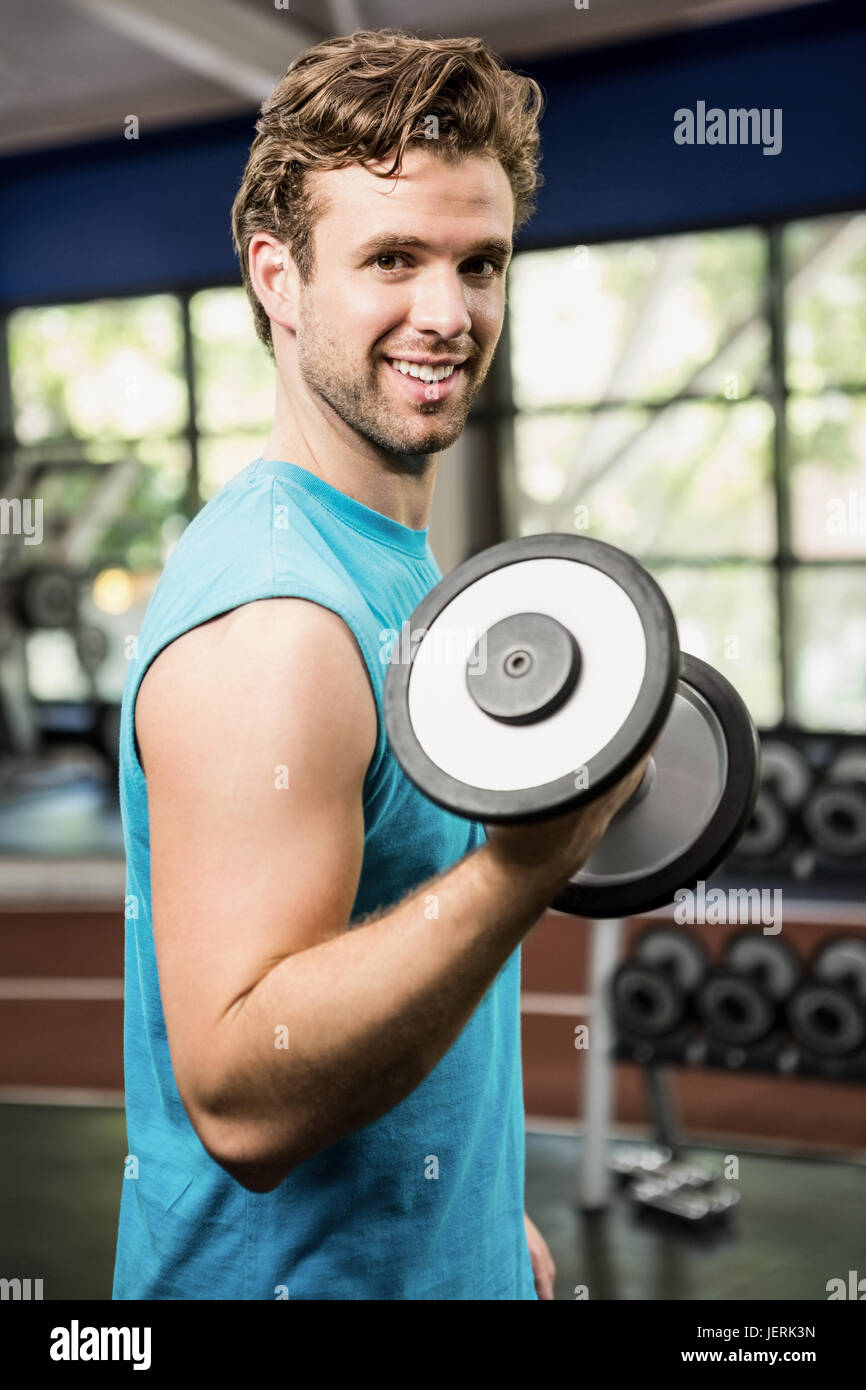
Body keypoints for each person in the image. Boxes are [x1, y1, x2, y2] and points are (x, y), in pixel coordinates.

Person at [112, 26, 649, 1302]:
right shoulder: (279, 622)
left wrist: (467, 1217)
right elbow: (244, 1101)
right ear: (279, 281)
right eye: (390, 259)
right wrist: (528, 865)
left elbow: (385, 958)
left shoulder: (393, 566)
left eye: (479, 262)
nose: (446, 313)